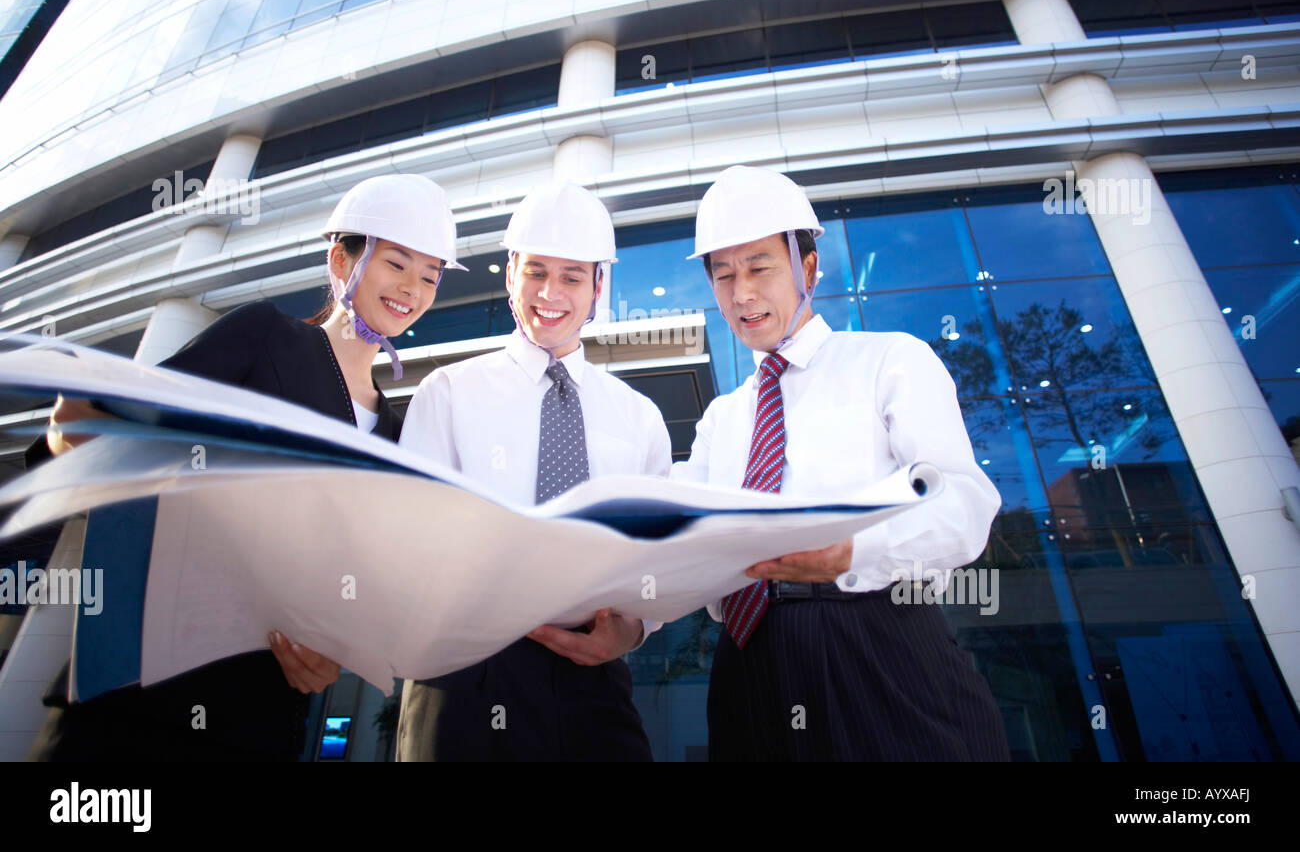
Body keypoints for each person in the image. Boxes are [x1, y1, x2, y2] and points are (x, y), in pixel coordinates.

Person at [30, 172, 464, 761]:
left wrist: (330, 653)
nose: (413, 287)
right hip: (141, 693)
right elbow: (128, 426)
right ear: (342, 260)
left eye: (430, 276)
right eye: (397, 264)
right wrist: (77, 432)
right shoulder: (266, 337)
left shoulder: (395, 432)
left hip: (258, 709)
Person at [672, 165, 1011, 761]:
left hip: (876, 640)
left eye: (759, 267)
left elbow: (964, 502)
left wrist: (852, 550)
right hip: (745, 660)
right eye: (723, 276)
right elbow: (676, 536)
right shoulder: (721, 419)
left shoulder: (889, 361)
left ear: (807, 268)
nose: (741, 293)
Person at [396, 181, 671, 761]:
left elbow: (658, 559)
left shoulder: (639, 417)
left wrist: (632, 630)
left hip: (596, 684)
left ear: (599, 287)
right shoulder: (448, 392)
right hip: (464, 673)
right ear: (509, 274)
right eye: (535, 272)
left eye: (572, 277)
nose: (550, 293)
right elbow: (407, 542)